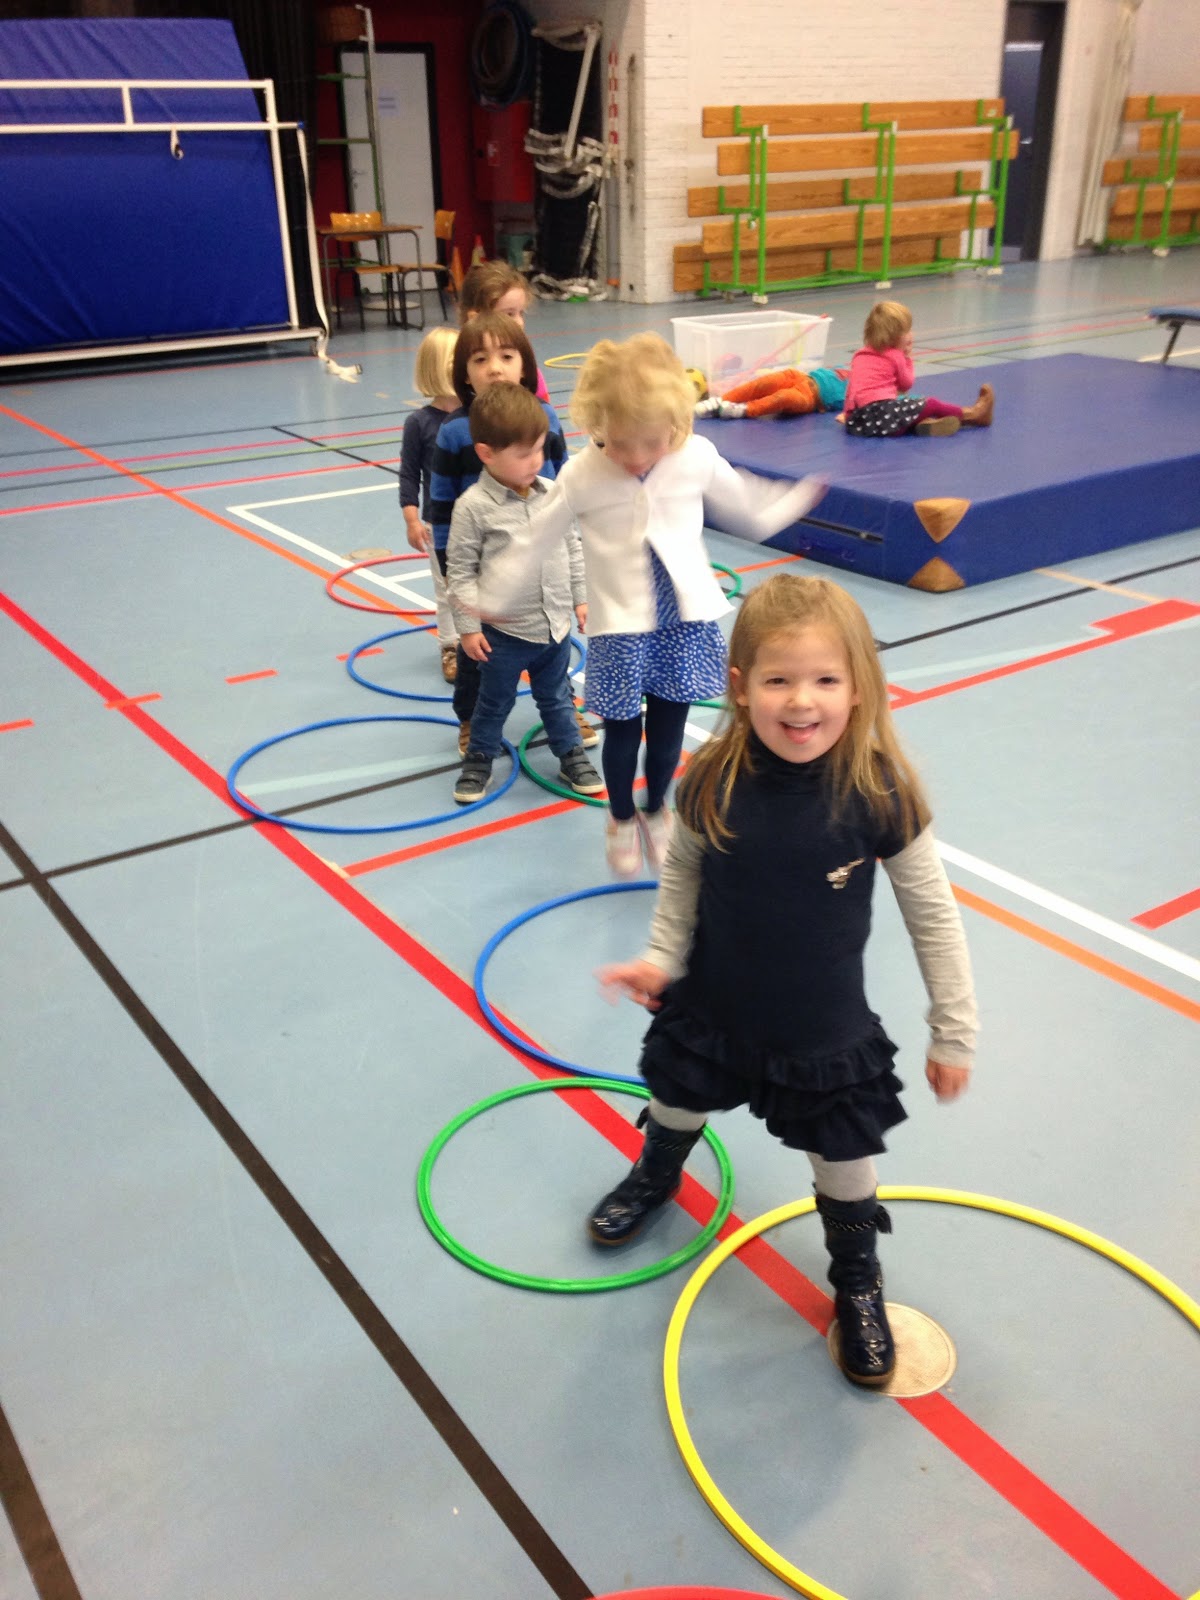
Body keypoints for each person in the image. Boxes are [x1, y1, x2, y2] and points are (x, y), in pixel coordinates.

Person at [588, 574, 978, 1387]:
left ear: (858, 688)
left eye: (826, 679)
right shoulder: (711, 779)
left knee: (843, 1158)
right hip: (718, 1005)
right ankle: (658, 1171)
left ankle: (858, 1278)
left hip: (820, 1029)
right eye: (779, 679)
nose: (802, 702)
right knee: (676, 1098)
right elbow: (683, 878)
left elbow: (934, 920)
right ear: (741, 686)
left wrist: (954, 1031)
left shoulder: (878, 793)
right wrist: (660, 959)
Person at [478, 333, 825, 879]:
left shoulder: (694, 457)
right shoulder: (582, 475)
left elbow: (747, 507)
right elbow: (534, 540)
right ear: (597, 427)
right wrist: (492, 596)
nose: (636, 458)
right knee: (621, 732)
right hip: (621, 628)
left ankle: (656, 808)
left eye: (651, 442)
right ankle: (620, 817)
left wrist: (792, 501)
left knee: (666, 736)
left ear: (676, 423)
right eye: (620, 443)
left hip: (682, 624)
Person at [427, 314, 595, 757]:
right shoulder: (454, 431)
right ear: (464, 372)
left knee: (552, 646)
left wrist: (573, 576)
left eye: (507, 356)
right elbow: (441, 508)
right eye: (481, 359)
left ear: (527, 365)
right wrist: (452, 579)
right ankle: (470, 718)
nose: (495, 368)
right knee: (476, 658)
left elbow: (561, 491)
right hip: (483, 572)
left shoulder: (546, 418)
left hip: (544, 574)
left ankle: (564, 711)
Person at [445, 383, 603, 805]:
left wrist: (581, 598)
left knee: (556, 697)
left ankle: (569, 752)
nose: (536, 461)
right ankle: (479, 758)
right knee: (492, 703)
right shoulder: (473, 507)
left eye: (539, 449)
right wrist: (467, 628)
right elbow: (459, 572)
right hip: (503, 636)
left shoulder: (553, 493)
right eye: (523, 454)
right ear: (486, 454)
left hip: (553, 628)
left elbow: (572, 547)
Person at [400, 325, 461, 682]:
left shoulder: (476, 415)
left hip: (482, 519)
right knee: (447, 589)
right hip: (442, 523)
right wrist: (411, 518)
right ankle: (450, 647)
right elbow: (409, 475)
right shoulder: (419, 423)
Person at [842, 301, 994, 438]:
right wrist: (907, 357)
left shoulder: (859, 355)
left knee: (907, 405)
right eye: (907, 332)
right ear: (894, 337)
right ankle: (973, 415)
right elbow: (906, 384)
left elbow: (851, 391)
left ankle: (924, 424)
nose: (911, 335)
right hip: (883, 417)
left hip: (858, 422)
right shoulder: (894, 355)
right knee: (931, 404)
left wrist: (848, 415)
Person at [458, 259, 552, 401]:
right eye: (509, 314)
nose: (519, 322)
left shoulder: (526, 368)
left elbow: (544, 415)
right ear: (474, 318)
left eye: (521, 313)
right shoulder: (460, 366)